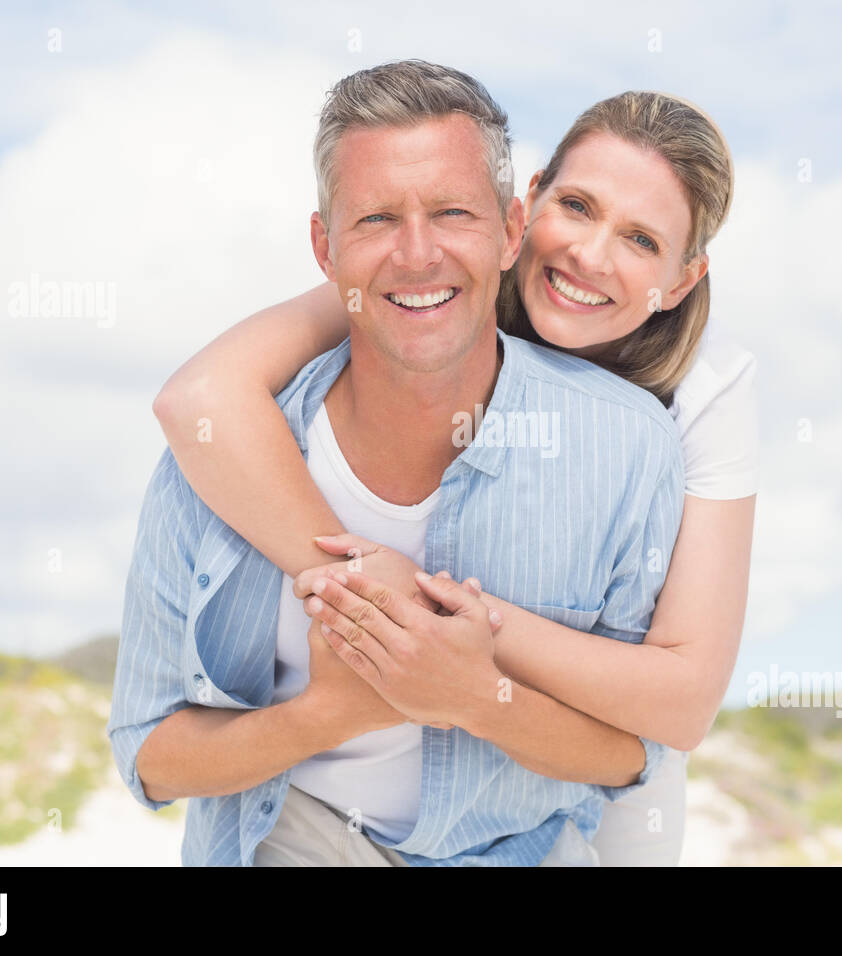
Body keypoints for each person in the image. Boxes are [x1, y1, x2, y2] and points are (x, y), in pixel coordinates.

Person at [152, 81, 757, 865]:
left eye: (641, 240)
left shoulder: (705, 392)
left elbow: (681, 701)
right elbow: (199, 399)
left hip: (602, 765)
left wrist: (447, 637)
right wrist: (366, 591)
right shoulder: (430, 280)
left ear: (681, 280)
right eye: (577, 206)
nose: (590, 253)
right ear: (526, 205)